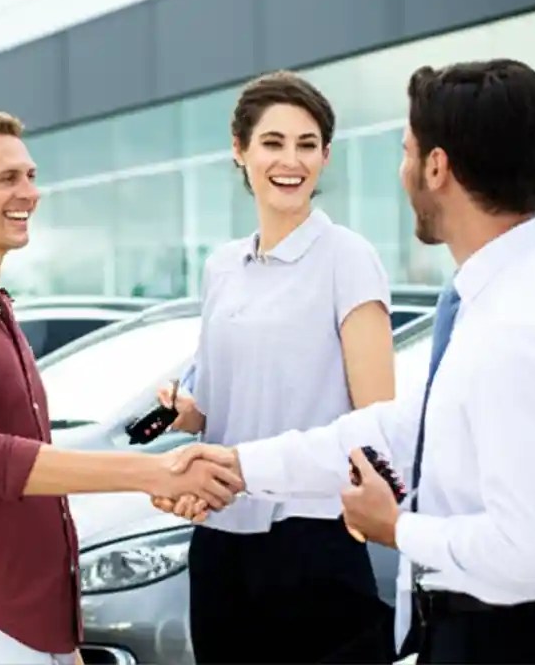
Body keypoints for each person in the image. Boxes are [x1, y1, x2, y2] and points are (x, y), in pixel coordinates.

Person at [163, 59, 535, 664]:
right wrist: (236, 462)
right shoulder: (517, 293)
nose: (402, 168)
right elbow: (401, 427)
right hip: (498, 629)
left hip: (514, 638)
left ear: (435, 167)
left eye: (407, 150)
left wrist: (396, 529)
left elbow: (529, 550)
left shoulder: (517, 326)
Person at [0, 111, 244, 665]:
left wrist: (62, 641)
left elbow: (30, 470)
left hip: (35, 623)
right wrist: (152, 472)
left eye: (30, 176)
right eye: (7, 179)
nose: (30, 192)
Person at [155, 70, 398, 664]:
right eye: (273, 143)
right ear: (239, 151)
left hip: (312, 539)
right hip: (219, 539)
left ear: (325, 156)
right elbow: (214, 406)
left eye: (307, 144)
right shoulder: (221, 267)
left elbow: (377, 419)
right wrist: (184, 414)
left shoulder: (348, 258)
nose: (291, 160)